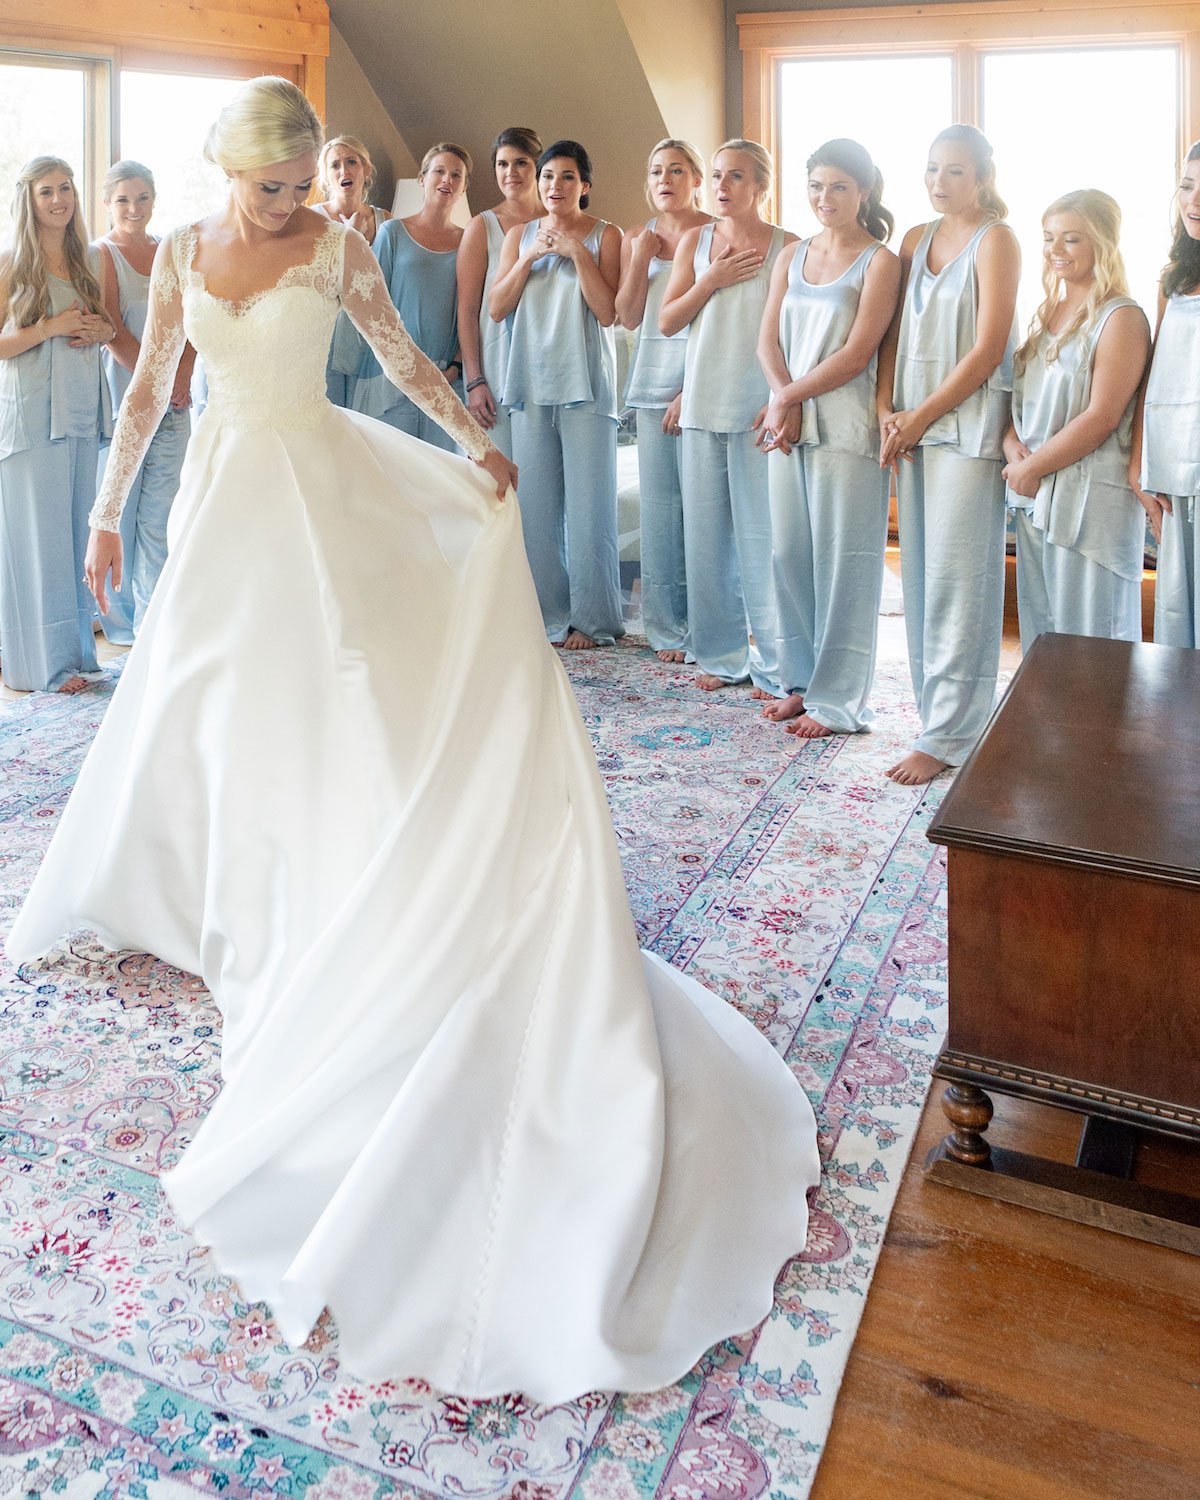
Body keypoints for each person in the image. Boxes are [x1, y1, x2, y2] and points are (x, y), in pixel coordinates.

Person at [6, 77, 818, 1404]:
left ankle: (320, 881)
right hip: (221, 500)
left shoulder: (333, 248)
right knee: (199, 700)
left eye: (294, 188)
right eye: (266, 189)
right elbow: (154, 382)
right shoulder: (184, 257)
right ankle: (195, 886)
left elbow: (398, 358)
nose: (286, 206)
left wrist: (468, 440)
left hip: (316, 488)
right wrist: (107, 515)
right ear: (231, 173)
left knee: (331, 693)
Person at [877, 125, 1019, 784]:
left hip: (964, 427)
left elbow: (989, 349)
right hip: (910, 422)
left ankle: (953, 736)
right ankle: (936, 717)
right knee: (924, 578)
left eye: (955, 171)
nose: (939, 182)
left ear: (983, 178)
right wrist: (886, 412)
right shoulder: (913, 239)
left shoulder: (999, 241)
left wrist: (920, 416)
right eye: (932, 168)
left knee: (960, 583)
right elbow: (892, 333)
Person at [756, 138, 900, 736]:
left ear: (863, 191)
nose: (824, 198)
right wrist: (780, 397)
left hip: (843, 426)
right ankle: (800, 681)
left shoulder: (880, 261)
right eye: (816, 186)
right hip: (786, 424)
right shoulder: (791, 253)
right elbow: (766, 339)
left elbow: (858, 351)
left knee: (845, 565)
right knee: (788, 555)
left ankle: (839, 700)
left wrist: (788, 397)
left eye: (838, 186)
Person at [659, 139, 797, 695]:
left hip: (759, 409)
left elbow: (795, 334)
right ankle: (719, 656)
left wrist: (783, 396)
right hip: (702, 405)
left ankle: (776, 663)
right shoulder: (695, 242)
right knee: (707, 540)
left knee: (764, 540)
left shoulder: (789, 247)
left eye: (735, 177)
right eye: (716, 175)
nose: (721, 186)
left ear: (760, 187)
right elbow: (668, 322)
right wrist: (710, 279)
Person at [490, 139, 624, 648]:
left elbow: (608, 312)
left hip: (587, 384)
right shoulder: (519, 234)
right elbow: (498, 307)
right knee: (537, 510)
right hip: (530, 383)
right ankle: (548, 615)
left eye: (567, 177)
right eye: (547, 176)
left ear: (584, 186)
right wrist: (529, 259)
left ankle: (593, 621)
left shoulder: (605, 235)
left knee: (591, 509)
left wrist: (576, 255)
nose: (555, 186)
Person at [1003, 190, 1149, 651]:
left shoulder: (1121, 317)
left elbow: (1102, 416)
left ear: (1102, 244)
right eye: (1049, 238)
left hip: (1089, 508)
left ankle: (1096, 727)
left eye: (1071, 239)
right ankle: (1042, 726)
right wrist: (1012, 448)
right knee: (1043, 638)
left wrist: (1030, 467)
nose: (1055, 250)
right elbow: (1021, 401)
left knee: (1090, 643)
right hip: (1035, 497)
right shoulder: (1048, 310)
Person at [0, 155, 113, 693]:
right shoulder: (10, 265)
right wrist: (50, 327)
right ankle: (42, 666)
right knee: (38, 541)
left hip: (78, 415)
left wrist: (99, 330)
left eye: (65, 188)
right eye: (47, 191)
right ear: (30, 199)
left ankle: (77, 657)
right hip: (30, 421)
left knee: (74, 539)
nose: (59, 199)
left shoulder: (88, 260)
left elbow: (107, 324)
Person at [615, 139, 711, 664]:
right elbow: (626, 316)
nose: (665, 179)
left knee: (705, 512)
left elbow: (720, 324)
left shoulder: (714, 235)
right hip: (650, 389)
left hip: (703, 388)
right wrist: (639, 260)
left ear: (696, 178)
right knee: (659, 514)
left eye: (676, 170)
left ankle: (711, 623)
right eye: (656, 171)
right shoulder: (638, 237)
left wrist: (689, 390)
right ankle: (665, 626)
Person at [94, 160, 195, 643]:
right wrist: (156, 379)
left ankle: (155, 624)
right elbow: (111, 328)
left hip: (175, 401)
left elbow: (195, 318)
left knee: (163, 515)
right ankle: (120, 626)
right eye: (122, 200)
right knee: (121, 514)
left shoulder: (171, 249)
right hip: (126, 399)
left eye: (142, 198)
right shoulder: (102, 253)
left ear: (154, 199)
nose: (133, 208)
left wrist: (183, 374)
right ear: (108, 204)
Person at [349, 143, 470, 449]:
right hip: (392, 380)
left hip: (446, 380)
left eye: (456, 175)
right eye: (439, 171)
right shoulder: (393, 233)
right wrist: (402, 365)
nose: (447, 180)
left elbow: (473, 311)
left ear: (463, 186)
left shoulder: (469, 241)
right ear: (422, 179)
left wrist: (455, 367)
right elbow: (371, 308)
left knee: (439, 481)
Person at [1132, 140, 1200, 647]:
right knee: (1179, 613)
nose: (1193, 200)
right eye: (1186, 186)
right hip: (1175, 472)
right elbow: (1152, 379)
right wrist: (1142, 467)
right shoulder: (1172, 281)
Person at [456, 126, 542, 460]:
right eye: (502, 164)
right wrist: (474, 381)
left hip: (544, 369)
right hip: (495, 371)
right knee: (495, 477)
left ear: (537, 165)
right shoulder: (482, 226)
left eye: (520, 163)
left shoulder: (558, 222)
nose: (510, 173)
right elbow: (466, 311)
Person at [313, 134, 391, 408]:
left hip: (370, 338)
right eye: (335, 165)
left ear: (365, 170)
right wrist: (351, 239)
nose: (344, 171)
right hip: (327, 338)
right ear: (325, 176)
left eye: (351, 162)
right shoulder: (311, 221)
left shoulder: (387, 222)